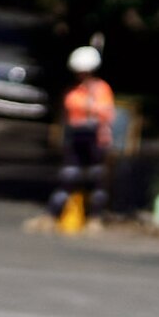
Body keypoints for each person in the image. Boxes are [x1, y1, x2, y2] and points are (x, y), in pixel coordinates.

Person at [55, 45, 118, 232]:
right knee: (69, 175)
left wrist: (93, 106)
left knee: (96, 178)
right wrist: (87, 105)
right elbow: (70, 105)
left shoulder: (101, 89)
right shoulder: (76, 91)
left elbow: (107, 112)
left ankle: (94, 218)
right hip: (77, 137)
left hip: (96, 138)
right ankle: (55, 214)